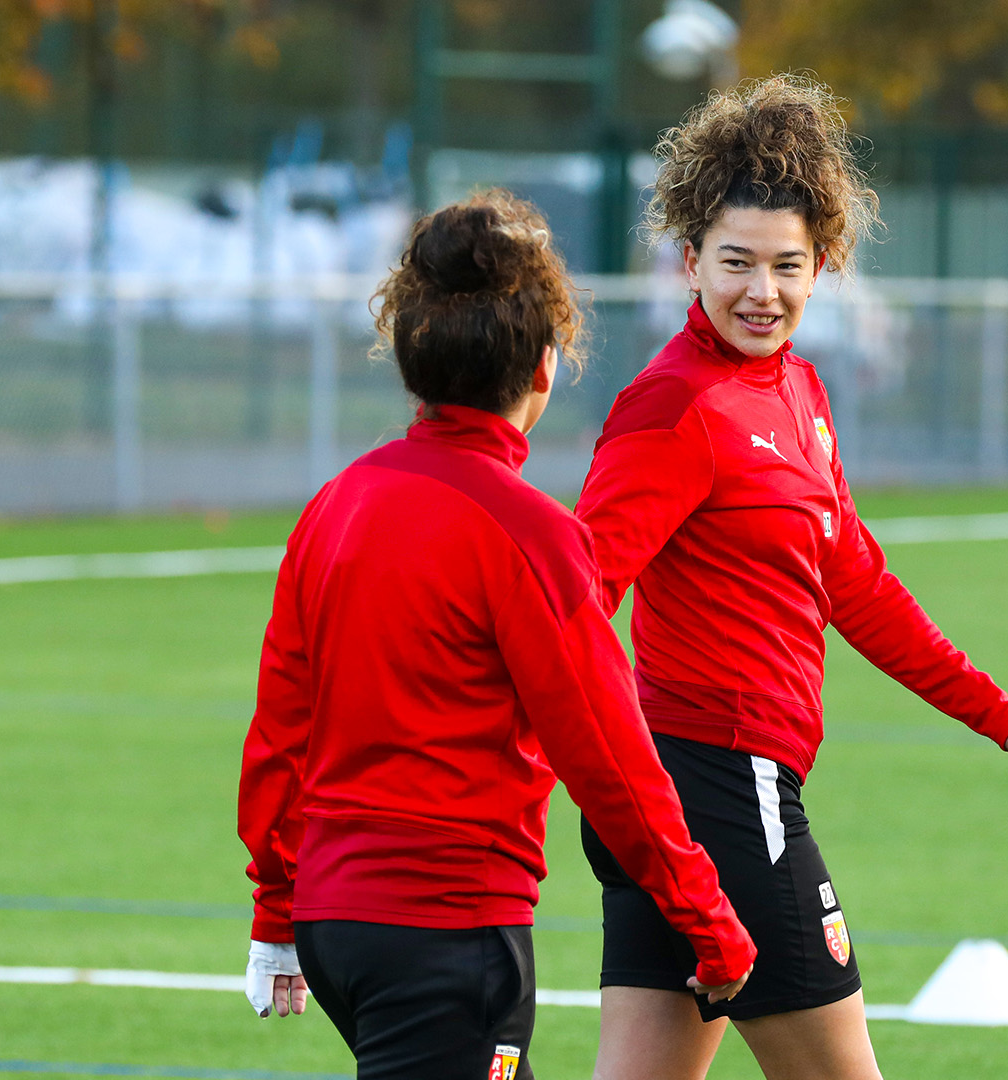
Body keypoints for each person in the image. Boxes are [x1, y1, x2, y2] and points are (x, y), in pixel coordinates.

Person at [575, 75, 1008, 1080]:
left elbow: (854, 584)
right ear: (688, 258)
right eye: (735, 262)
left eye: (788, 266)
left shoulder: (796, 390)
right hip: (717, 789)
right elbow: (570, 604)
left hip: (699, 789)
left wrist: (1001, 713)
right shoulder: (673, 409)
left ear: (824, 264)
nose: (762, 290)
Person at [236, 190, 756, 1079]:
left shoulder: (336, 505)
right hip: (448, 927)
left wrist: (278, 911)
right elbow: (608, 753)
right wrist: (707, 917)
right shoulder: (532, 532)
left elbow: (281, 724)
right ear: (546, 366)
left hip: (336, 924)